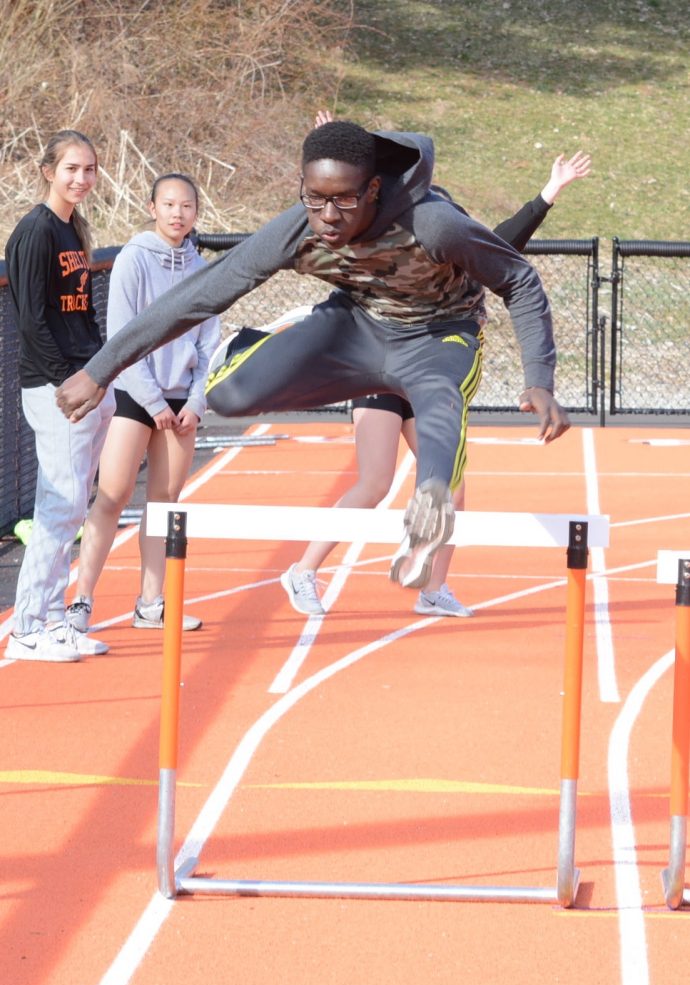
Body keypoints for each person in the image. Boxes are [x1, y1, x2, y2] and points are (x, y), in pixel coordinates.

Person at [56, 118, 571, 596]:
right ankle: (263, 345)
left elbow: (519, 279)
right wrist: (101, 370)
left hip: (439, 334)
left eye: (343, 202)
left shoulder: (433, 224)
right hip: (356, 327)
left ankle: (429, 508)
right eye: (314, 198)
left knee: (440, 409)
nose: (327, 218)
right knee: (229, 395)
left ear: (372, 191)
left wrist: (539, 378)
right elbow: (200, 294)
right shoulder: (298, 230)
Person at [281, 144, 592, 616]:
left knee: (450, 485)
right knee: (375, 481)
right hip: (383, 367)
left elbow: (505, 246)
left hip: (434, 370)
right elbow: (337, 204)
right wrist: (327, 142)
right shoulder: (388, 233)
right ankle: (302, 571)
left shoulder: (448, 226)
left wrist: (549, 192)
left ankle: (433, 587)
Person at [65, 173, 220, 635]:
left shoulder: (203, 269)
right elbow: (121, 336)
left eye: (186, 205)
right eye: (169, 204)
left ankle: (152, 603)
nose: (178, 213)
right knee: (111, 496)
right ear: (152, 208)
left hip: (183, 402)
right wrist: (152, 401)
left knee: (165, 503)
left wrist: (197, 399)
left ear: (196, 212)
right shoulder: (133, 258)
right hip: (136, 394)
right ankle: (81, 602)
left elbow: (211, 343)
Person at [3, 129, 115, 662]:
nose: (81, 178)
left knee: (74, 504)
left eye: (89, 169)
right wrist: (66, 383)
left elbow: (80, 310)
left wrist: (98, 371)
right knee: (60, 504)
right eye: (71, 168)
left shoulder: (75, 231)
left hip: (85, 380)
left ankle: (51, 619)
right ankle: (26, 626)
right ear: (49, 171)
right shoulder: (35, 232)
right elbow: (30, 320)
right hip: (56, 389)